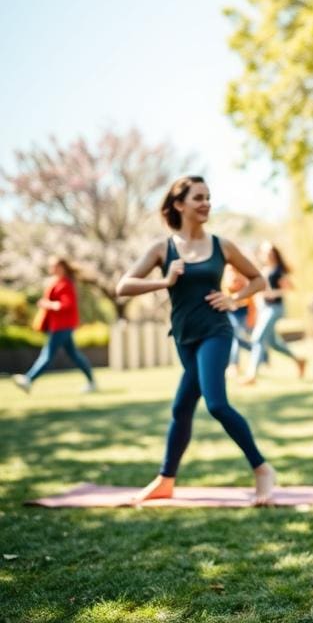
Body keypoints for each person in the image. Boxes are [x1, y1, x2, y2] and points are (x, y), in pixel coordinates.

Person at [116, 175, 276, 505]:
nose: (206, 204)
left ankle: (262, 470)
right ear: (179, 204)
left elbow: (258, 279)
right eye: (198, 198)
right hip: (184, 336)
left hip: (215, 331)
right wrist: (165, 281)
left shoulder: (221, 245)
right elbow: (124, 286)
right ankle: (165, 480)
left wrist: (235, 299)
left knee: (216, 404)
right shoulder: (163, 249)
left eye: (207, 197)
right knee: (182, 408)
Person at [13, 257, 96, 394]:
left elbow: (66, 304)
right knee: (74, 355)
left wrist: (48, 304)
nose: (52, 269)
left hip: (62, 325)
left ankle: (29, 379)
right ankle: (92, 382)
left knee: (47, 354)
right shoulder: (57, 283)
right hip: (57, 324)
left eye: (55, 266)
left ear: (62, 268)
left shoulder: (65, 284)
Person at [241, 241, 307, 384]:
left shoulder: (279, 271)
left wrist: (273, 293)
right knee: (273, 343)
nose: (268, 255)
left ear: (275, 254)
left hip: (275, 309)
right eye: (265, 252)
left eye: (270, 252)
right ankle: (299, 360)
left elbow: (289, 288)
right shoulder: (264, 269)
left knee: (258, 338)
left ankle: (251, 375)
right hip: (264, 308)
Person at [223, 262, 254, 370]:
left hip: (240, 310)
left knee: (236, 336)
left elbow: (247, 294)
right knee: (235, 336)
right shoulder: (226, 275)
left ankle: (234, 364)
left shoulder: (241, 277)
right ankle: (256, 350)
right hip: (229, 310)